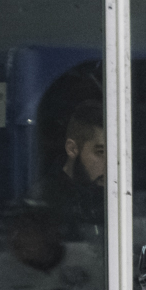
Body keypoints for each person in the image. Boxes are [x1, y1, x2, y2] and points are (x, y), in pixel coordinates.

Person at [35, 100, 107, 240]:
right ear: (72, 149)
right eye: (100, 152)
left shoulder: (114, 196)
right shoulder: (43, 202)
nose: (110, 164)